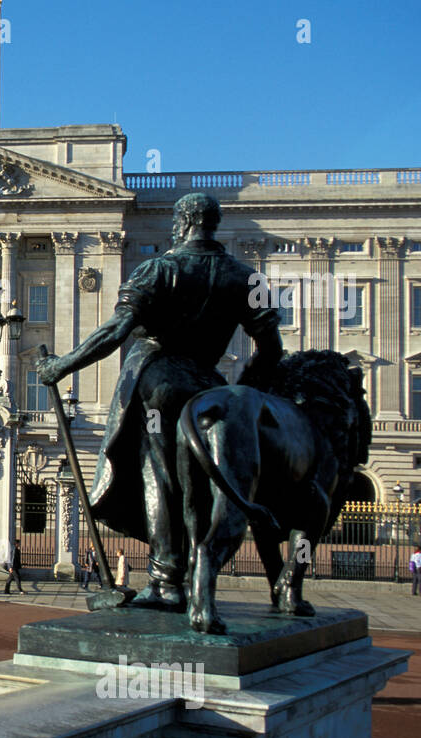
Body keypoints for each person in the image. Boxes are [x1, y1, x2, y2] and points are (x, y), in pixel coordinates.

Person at [36, 193, 284, 611]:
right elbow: (272, 351)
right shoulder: (248, 278)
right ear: (213, 223)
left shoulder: (158, 269)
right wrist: (241, 394)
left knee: (160, 476)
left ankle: (167, 580)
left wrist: (62, 366)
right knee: (199, 487)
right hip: (210, 388)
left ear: (182, 222)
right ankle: (194, 576)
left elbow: (115, 333)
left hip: (159, 383)